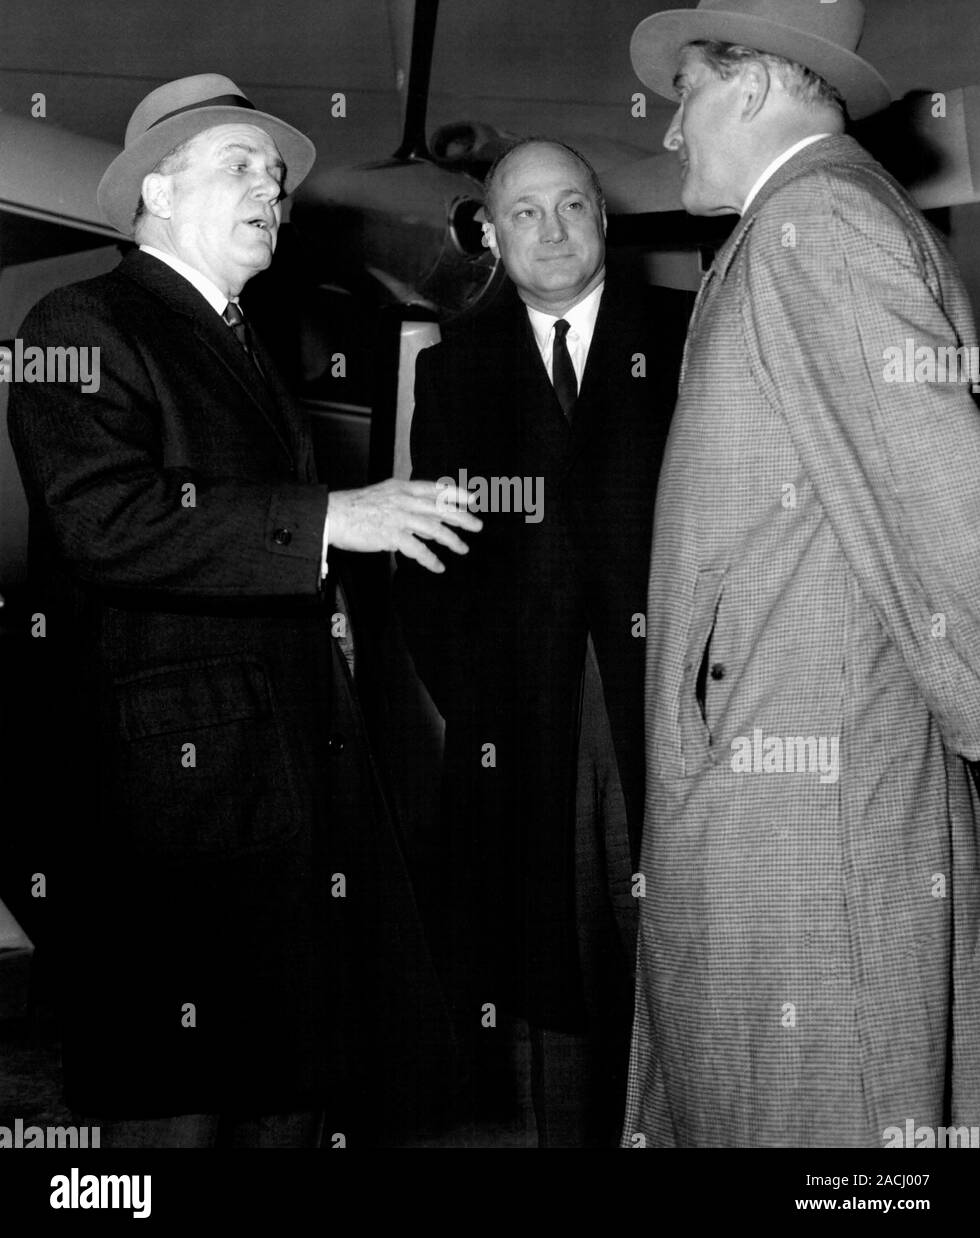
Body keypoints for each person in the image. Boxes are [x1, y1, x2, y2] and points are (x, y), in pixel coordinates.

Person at [7, 73, 480, 1147]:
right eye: (240, 165)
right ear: (159, 192)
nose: (272, 188)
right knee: (184, 1109)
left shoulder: (238, 336)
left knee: (279, 1090)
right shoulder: (80, 318)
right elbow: (104, 519)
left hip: (267, 785)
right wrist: (327, 520)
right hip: (180, 804)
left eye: (276, 176)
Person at [623, 0, 980, 1147]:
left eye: (683, 92)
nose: (667, 125)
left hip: (809, 800)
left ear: (757, 84)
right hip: (776, 768)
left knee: (821, 1118)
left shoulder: (817, 225)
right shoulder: (793, 224)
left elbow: (947, 512)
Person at [396, 139, 686, 1146]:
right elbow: (427, 572)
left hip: (678, 723)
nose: (551, 230)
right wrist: (489, 708)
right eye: (524, 212)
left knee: (686, 967)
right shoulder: (452, 373)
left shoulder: (690, 338)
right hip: (527, 738)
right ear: (488, 233)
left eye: (571, 205)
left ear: (603, 219)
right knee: (547, 981)